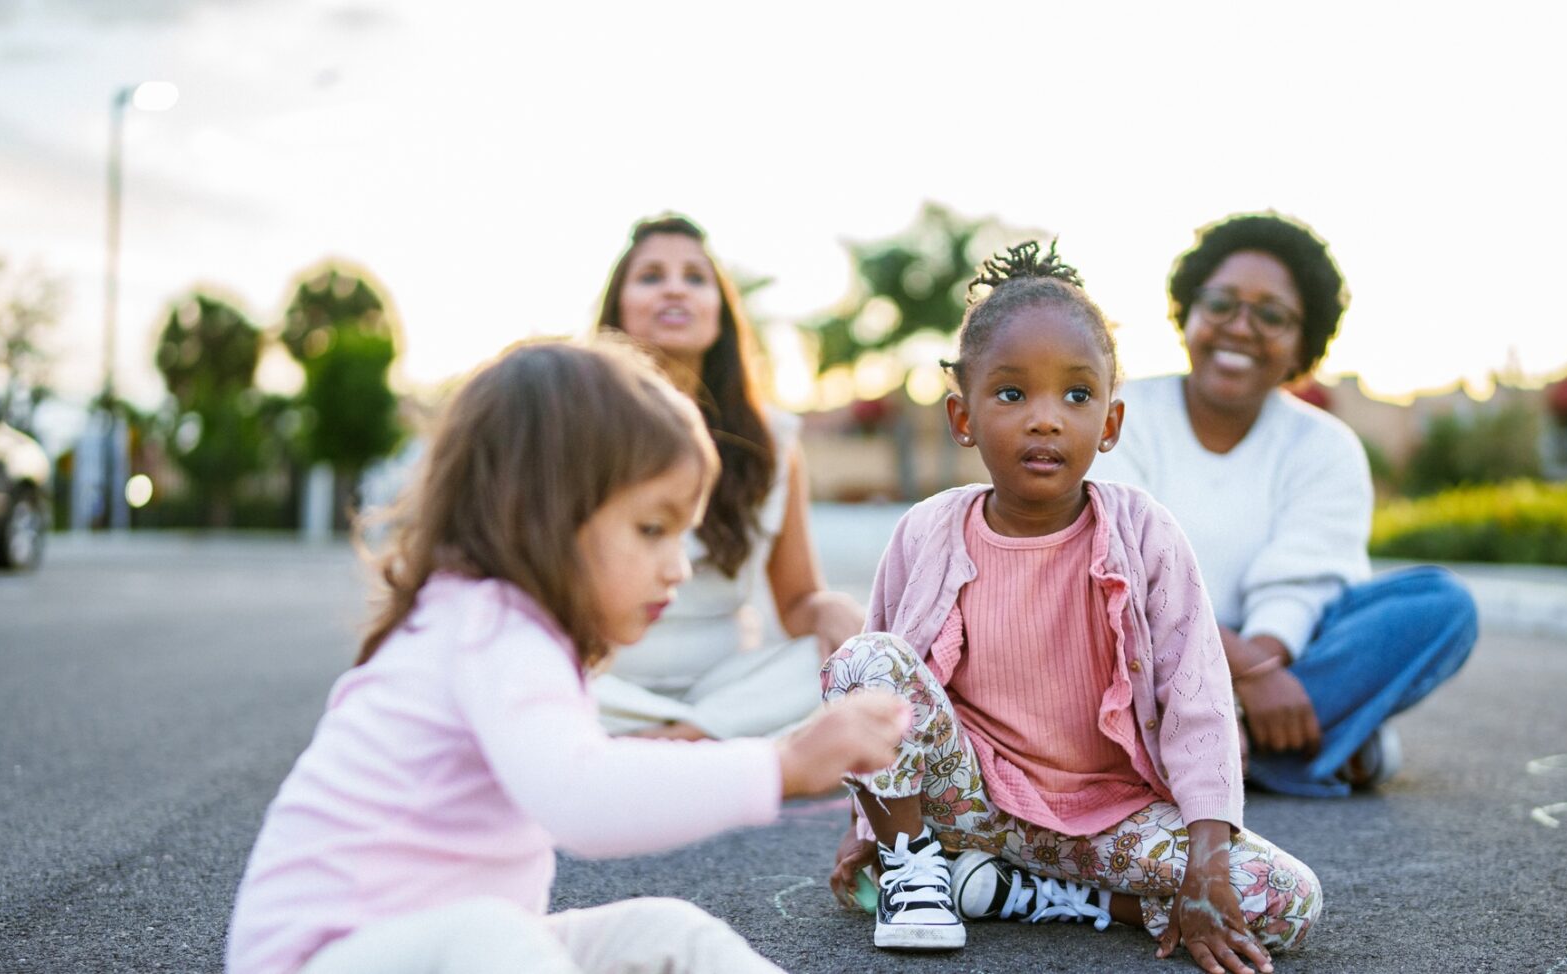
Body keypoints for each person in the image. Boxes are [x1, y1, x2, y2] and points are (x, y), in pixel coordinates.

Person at [225, 340, 907, 974]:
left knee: (667, 932)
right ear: (540, 511)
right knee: (497, 938)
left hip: (439, 943)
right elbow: (582, 798)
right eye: (651, 529)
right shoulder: (487, 628)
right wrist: (781, 765)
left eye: (684, 535)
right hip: (325, 957)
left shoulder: (512, 629)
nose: (678, 568)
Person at [822, 242, 1320, 973]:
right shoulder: (925, 531)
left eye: (1077, 396)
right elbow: (882, 701)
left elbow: (1200, 701)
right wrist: (869, 823)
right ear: (962, 416)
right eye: (1012, 394)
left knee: (1287, 900)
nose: (1046, 420)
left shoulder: (1145, 533)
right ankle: (917, 874)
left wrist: (1208, 860)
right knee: (863, 658)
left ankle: (1020, 894)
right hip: (968, 803)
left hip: (1107, 814)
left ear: (1111, 424)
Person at [1089, 212, 1478, 798]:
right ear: (1188, 312)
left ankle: (1206, 752)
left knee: (1441, 606)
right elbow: (1118, 574)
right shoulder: (1122, 416)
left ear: (1304, 342)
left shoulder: (1324, 446)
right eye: (1221, 304)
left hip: (1282, 657)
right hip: (1144, 653)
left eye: (1272, 316)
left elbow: (1305, 585)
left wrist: (1262, 672)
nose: (1240, 328)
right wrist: (1245, 671)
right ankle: (1299, 749)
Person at [592, 214, 864, 740]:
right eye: (651, 276)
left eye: (696, 277)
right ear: (619, 308)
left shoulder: (774, 441)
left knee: (854, 658)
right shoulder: (574, 427)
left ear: (719, 311)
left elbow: (797, 602)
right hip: (603, 685)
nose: (675, 287)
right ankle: (696, 742)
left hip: (726, 688)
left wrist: (835, 612)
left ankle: (672, 740)